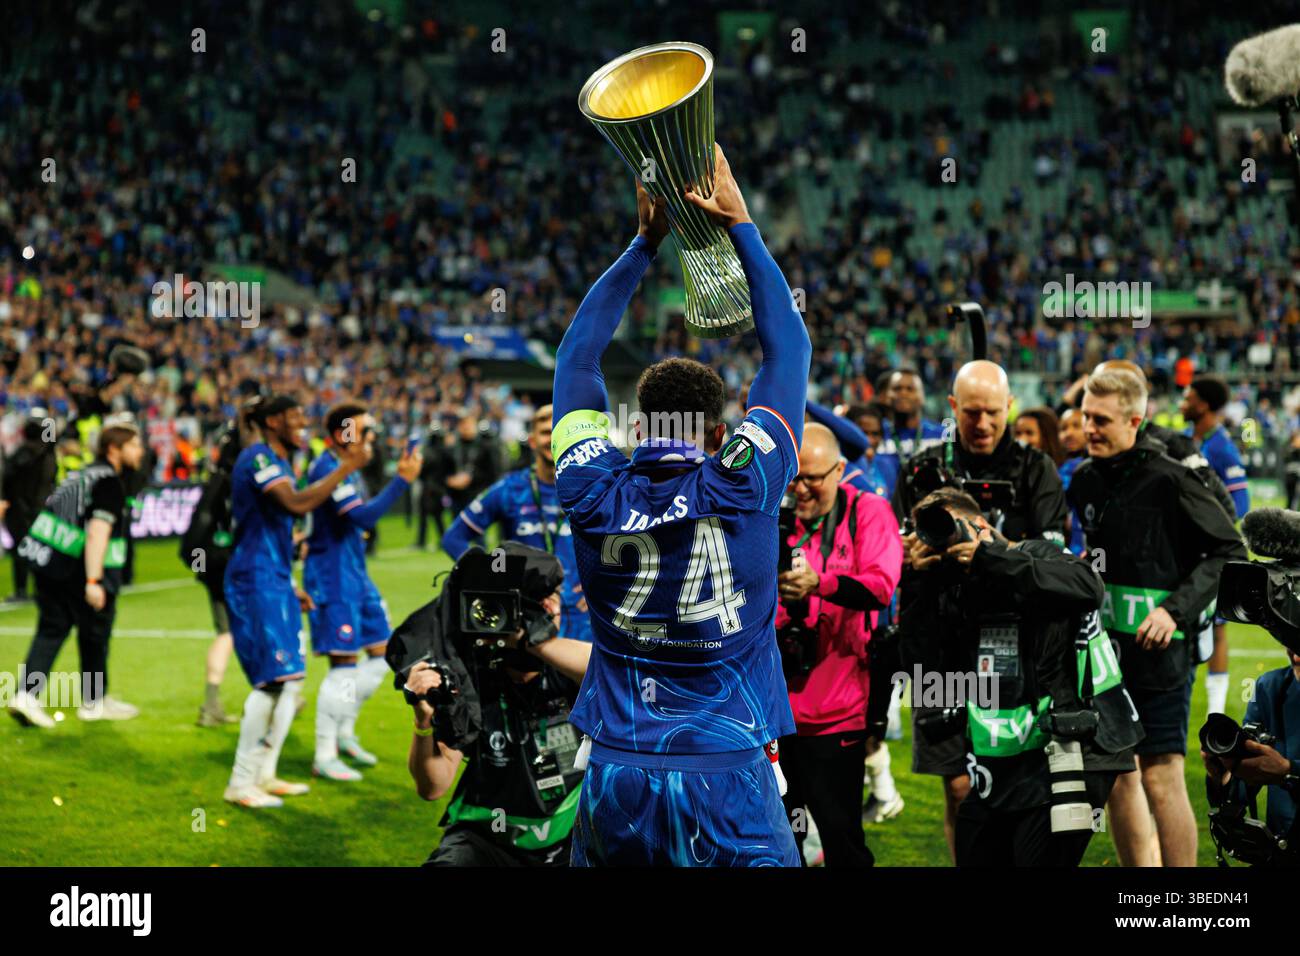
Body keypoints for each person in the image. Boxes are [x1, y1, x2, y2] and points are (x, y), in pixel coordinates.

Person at [552, 149, 811, 866]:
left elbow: (577, 362)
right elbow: (787, 351)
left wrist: (643, 245)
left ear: (636, 428)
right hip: (726, 762)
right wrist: (742, 228)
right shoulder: (746, 480)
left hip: (617, 770)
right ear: (722, 433)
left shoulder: (591, 485)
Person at [904, 487, 1140, 867]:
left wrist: (990, 557)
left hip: (1076, 742)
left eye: (947, 528)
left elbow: (1087, 587)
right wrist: (918, 582)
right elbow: (927, 672)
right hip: (1005, 751)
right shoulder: (951, 587)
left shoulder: (1035, 553)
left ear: (979, 525)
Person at [1069, 368, 1246, 866]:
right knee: (1119, 774)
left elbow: (1229, 551)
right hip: (1104, 658)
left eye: (1101, 420)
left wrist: (1174, 610)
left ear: (1135, 420)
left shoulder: (1173, 478)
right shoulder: (1084, 480)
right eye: (1085, 417)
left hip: (1161, 658)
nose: (1088, 429)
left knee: (1160, 774)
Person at [893, 359, 1068, 860]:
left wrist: (994, 550)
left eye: (993, 412)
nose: (984, 423)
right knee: (958, 786)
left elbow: (1053, 558)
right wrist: (913, 555)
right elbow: (895, 552)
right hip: (941, 641)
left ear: (1009, 406)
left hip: (1014, 648)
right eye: (971, 412)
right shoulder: (922, 470)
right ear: (952, 408)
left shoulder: (1037, 470)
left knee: (1015, 784)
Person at [403, 546, 594, 866]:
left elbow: (605, 667)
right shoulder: (470, 676)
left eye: (554, 596)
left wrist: (531, 640)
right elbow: (432, 786)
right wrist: (422, 723)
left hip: (569, 837)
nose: (551, 607)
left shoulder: (570, 669)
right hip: (486, 838)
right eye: (538, 600)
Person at [222, 394, 367, 809]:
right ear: (271, 422)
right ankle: (240, 781)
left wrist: (290, 583)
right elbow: (297, 502)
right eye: (294, 416)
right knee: (272, 683)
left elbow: (280, 526)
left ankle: (264, 774)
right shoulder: (258, 458)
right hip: (255, 579)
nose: (303, 421)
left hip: (276, 579)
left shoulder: (281, 463)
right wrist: (346, 468)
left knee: (290, 681)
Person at [775, 423, 903, 865]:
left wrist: (820, 583)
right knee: (776, 841)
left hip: (837, 711)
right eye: (794, 477)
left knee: (840, 837)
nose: (802, 489)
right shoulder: (771, 513)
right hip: (772, 713)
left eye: (814, 478)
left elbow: (881, 586)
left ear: (840, 470)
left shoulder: (867, 511)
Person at [305, 400, 421, 781]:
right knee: (343, 666)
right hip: (331, 577)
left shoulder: (348, 470)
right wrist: (402, 481)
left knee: (381, 656)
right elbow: (361, 516)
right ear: (344, 435)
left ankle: (343, 732)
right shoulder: (328, 468)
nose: (372, 437)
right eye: (365, 431)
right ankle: (324, 754)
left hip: (355, 574)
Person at [7, 418, 146, 728]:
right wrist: (94, 581)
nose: (141, 451)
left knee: (53, 627)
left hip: (45, 558)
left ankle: (28, 695)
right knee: (95, 629)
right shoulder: (109, 481)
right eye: (134, 445)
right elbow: (97, 532)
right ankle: (93, 702)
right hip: (72, 566)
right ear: (114, 449)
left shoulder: (84, 473)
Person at [442, 404, 591, 643]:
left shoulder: (593, 489)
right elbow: (453, 538)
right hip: (526, 617)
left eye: (560, 431)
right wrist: (493, 576)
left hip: (582, 618)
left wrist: (604, 579)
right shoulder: (511, 489)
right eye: (545, 432)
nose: (553, 439)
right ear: (532, 441)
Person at [1181, 374, 1251, 718]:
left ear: (1203, 404)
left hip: (1209, 553)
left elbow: (1241, 502)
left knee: (1216, 629)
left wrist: (1206, 525)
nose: (1182, 402)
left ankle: (1216, 712)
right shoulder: (1184, 440)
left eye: (1188, 397)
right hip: (1180, 551)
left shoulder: (1222, 446)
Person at [1201, 649, 1300, 849]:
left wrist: (1290, 772)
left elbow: (1283, 770)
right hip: (1285, 849)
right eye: (1291, 643)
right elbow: (1237, 795)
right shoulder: (1270, 687)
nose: (1296, 657)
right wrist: (1224, 773)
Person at [2, 410, 58, 604]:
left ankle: (21, 589)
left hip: (20, 508)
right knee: (39, 548)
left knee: (22, 549)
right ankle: (43, 588)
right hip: (39, 506)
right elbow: (51, 438)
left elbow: (6, 476)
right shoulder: (48, 454)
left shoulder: (24, 454)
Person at [1058, 408, 1087, 557]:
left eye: (1076, 426)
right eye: (1063, 428)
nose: (1069, 433)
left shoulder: (1090, 468)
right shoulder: (1058, 466)